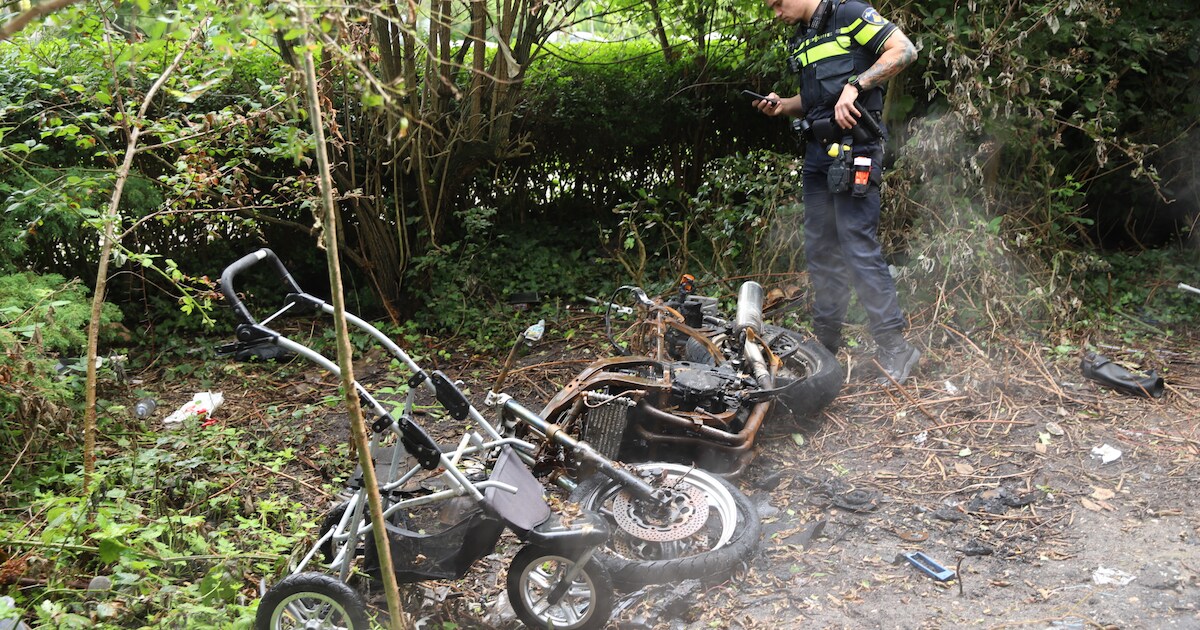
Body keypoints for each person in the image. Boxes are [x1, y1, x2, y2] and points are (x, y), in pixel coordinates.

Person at [753, 0, 920, 385]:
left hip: (855, 149)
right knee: (821, 248)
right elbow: (813, 103)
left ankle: (896, 347)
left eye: (777, 3)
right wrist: (782, 106)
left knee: (855, 243)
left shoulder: (849, 14)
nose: (775, 12)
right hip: (817, 154)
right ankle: (825, 347)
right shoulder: (804, 36)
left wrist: (856, 84)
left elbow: (904, 50)